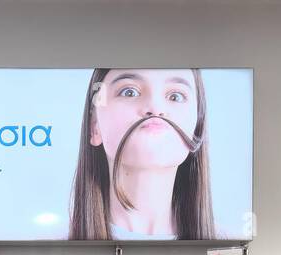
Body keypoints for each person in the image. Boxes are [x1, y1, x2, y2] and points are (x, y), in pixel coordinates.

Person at [68, 68, 216, 241]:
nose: (155, 108)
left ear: (197, 126)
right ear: (94, 126)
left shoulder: (228, 247)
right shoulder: (56, 247)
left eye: (175, 96)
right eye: (129, 92)